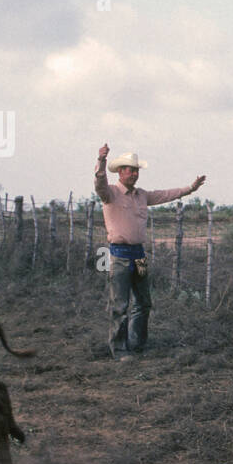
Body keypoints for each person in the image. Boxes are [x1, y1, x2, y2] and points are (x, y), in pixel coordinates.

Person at [94, 143, 205, 359]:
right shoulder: (110, 193)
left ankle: (137, 344)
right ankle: (119, 349)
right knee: (119, 305)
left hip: (139, 257)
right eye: (130, 169)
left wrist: (190, 188)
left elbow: (165, 194)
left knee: (144, 302)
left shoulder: (142, 195)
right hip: (119, 257)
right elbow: (99, 182)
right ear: (120, 171)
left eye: (136, 170)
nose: (134, 174)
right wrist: (101, 160)